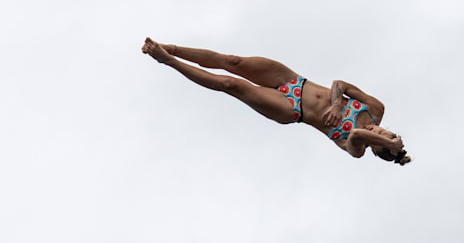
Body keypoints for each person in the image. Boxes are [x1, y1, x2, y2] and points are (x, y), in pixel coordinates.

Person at [142, 38, 410, 164]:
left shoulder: (356, 148)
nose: (378, 132)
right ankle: (171, 47)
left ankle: (168, 61)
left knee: (230, 84)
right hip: (296, 81)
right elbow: (341, 85)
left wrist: (385, 142)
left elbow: (358, 135)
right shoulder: (376, 109)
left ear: (374, 148)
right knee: (233, 62)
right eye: (386, 133)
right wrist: (338, 103)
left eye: (379, 141)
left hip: (291, 109)